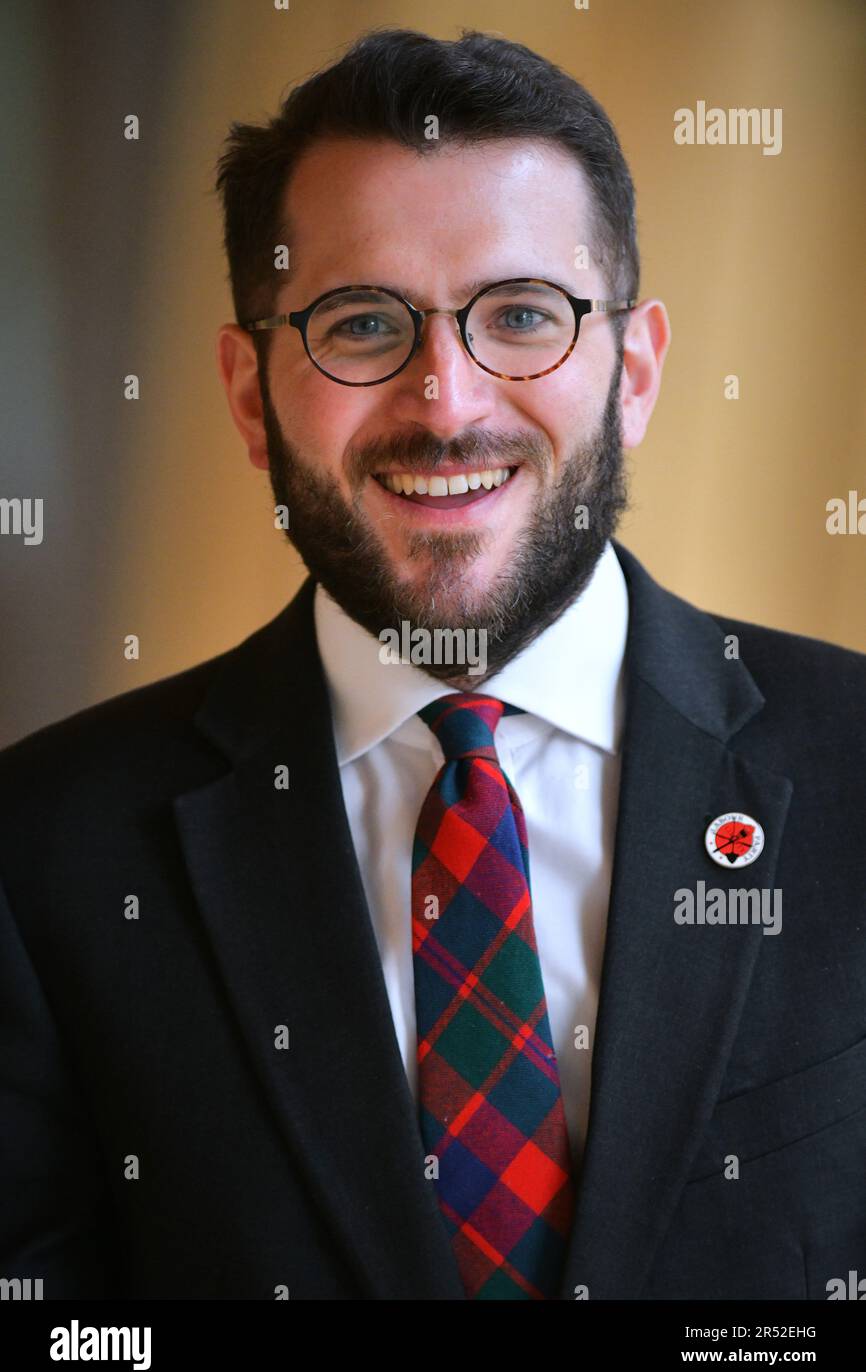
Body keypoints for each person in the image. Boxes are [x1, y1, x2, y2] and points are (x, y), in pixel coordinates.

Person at [1, 26, 864, 1303]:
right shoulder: (44, 848)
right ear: (249, 395)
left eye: (521, 315)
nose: (446, 400)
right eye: (360, 325)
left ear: (632, 371)